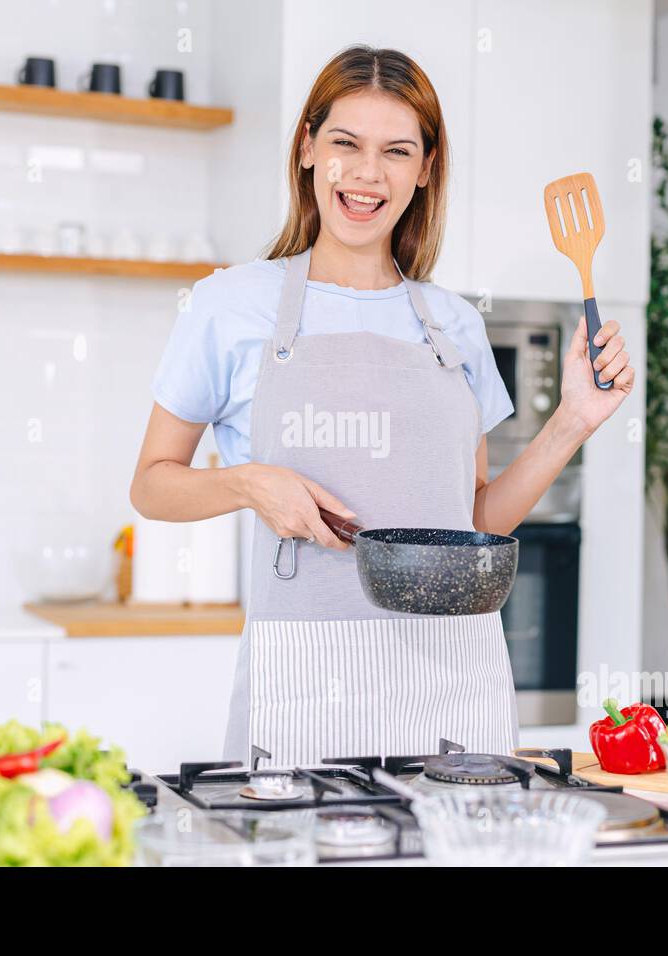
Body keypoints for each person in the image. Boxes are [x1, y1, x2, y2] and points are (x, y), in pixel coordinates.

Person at [130, 45, 634, 764]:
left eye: (397, 151)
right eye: (345, 144)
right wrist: (249, 483)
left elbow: (473, 522)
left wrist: (573, 421)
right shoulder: (231, 306)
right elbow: (152, 483)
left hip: (454, 683)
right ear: (307, 148)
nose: (368, 174)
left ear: (425, 169)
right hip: (306, 688)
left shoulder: (453, 322)